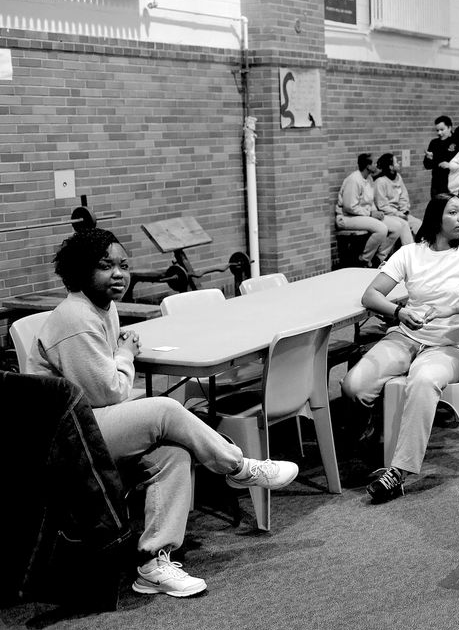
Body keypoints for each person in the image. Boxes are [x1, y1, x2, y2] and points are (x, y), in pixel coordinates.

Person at [27, 229, 299, 598]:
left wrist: (121, 355)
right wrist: (125, 354)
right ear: (80, 271)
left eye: (123, 266)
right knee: (167, 410)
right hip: (67, 437)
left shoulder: (102, 308)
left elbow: (109, 391)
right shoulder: (74, 317)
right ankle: (238, 467)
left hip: (94, 422)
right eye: (105, 266)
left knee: (173, 453)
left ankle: (154, 561)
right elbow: (108, 391)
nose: (118, 275)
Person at [341, 194, 459, 502]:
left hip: (448, 347)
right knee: (354, 385)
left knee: (422, 381)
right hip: (406, 337)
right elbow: (370, 295)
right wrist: (399, 312)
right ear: (437, 219)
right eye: (455, 213)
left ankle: (399, 472)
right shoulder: (410, 253)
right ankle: (373, 430)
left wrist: (451, 311)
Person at [335, 152, 391, 267]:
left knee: (396, 226)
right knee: (382, 229)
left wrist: (376, 212)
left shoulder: (369, 178)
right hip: (347, 218)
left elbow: (370, 201)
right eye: (374, 163)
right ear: (368, 166)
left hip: (362, 215)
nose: (376, 165)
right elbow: (350, 206)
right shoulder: (354, 180)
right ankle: (364, 259)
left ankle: (379, 258)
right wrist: (370, 213)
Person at [373, 152, 421, 241]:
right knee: (404, 225)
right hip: (388, 215)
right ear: (391, 167)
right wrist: (398, 213)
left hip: (401, 213)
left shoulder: (398, 177)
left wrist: (405, 210)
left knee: (418, 224)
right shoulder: (380, 182)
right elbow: (382, 206)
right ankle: (409, 253)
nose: (399, 163)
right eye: (396, 162)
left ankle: (423, 251)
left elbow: (404, 196)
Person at [423, 114, 459, 197]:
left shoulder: (457, 142)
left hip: (453, 183)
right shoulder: (434, 143)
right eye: (437, 130)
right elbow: (427, 165)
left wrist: (449, 165)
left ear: (450, 128)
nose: (439, 133)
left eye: (442, 129)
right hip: (437, 184)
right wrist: (429, 158)